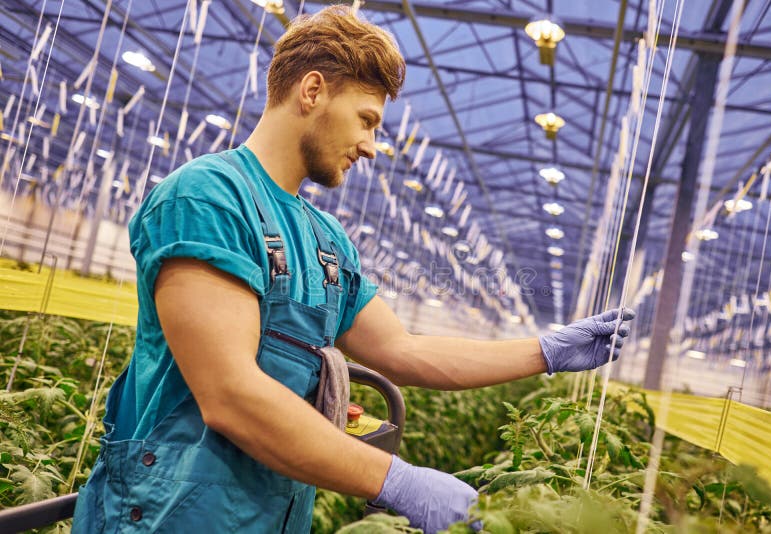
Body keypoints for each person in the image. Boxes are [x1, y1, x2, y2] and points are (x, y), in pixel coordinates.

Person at [71, 5, 635, 534]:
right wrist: (395, 480)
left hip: (265, 513)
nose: (370, 146)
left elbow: (402, 350)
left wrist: (544, 352)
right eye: (366, 120)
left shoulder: (325, 240)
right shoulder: (208, 198)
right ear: (312, 90)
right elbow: (230, 394)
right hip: (171, 516)